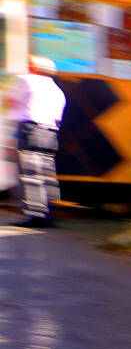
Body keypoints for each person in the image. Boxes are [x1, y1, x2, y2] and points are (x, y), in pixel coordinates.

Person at [5, 56, 66, 228]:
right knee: (46, 172)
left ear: (33, 68)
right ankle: (49, 213)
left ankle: (36, 216)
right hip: (51, 132)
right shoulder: (57, 90)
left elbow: (8, 101)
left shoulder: (26, 80)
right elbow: (58, 117)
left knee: (30, 172)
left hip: (29, 129)